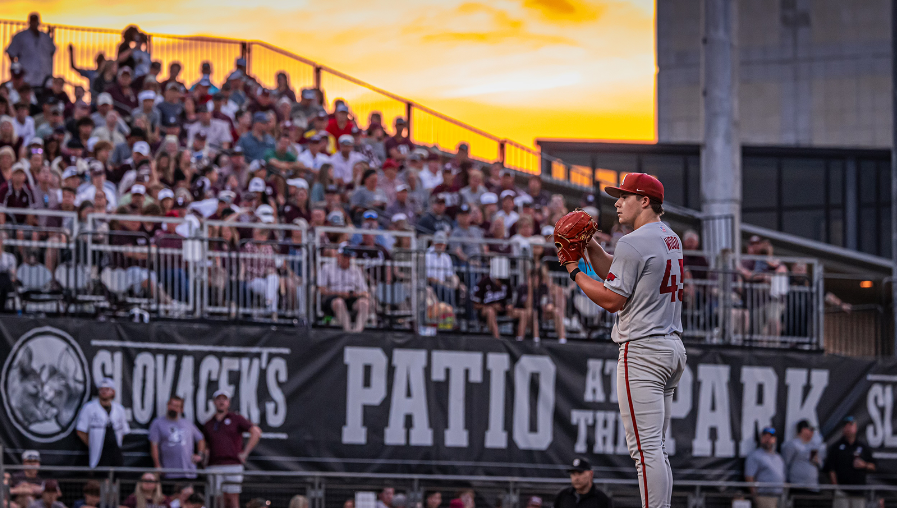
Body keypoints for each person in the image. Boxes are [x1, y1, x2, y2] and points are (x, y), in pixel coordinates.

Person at [561, 173, 686, 508]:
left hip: (643, 350)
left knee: (644, 451)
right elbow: (620, 272)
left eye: (625, 196)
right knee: (656, 448)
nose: (617, 202)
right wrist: (591, 245)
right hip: (671, 348)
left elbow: (612, 299)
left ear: (644, 201)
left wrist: (575, 270)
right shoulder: (670, 237)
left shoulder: (635, 241)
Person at [203, 390, 262, 508]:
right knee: (217, 500)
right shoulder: (208, 423)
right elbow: (205, 445)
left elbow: (256, 432)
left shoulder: (236, 418)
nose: (221, 402)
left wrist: (245, 453)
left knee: (232, 498)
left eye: (224, 399)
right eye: (218, 399)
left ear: (228, 403)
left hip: (232, 464)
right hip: (214, 465)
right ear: (214, 402)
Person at [75, 378, 130, 468]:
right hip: (99, 452)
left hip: (115, 450)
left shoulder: (119, 409)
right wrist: (93, 443)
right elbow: (81, 431)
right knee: (99, 474)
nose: (104, 392)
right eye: (101, 389)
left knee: (118, 473)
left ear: (113, 392)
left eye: (107, 389)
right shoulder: (89, 408)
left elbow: (124, 431)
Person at [823, 416, 876, 508]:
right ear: (843, 428)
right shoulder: (836, 447)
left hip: (858, 492)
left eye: (851, 425)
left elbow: (874, 466)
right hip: (842, 492)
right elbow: (830, 469)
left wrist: (864, 465)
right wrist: (836, 488)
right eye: (846, 425)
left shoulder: (863, 447)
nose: (848, 428)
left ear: (856, 427)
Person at [317, 243, 371, 332]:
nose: (347, 259)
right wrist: (340, 294)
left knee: (364, 303)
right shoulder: (327, 268)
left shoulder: (356, 270)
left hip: (351, 297)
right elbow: (321, 289)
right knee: (339, 302)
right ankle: (348, 331)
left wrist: (355, 294)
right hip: (332, 298)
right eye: (345, 256)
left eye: (349, 257)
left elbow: (365, 291)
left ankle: (357, 331)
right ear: (338, 256)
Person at [149, 396, 207, 478]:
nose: (173, 408)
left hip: (188, 471)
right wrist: (157, 465)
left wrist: (200, 455)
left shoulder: (188, 424)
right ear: (167, 405)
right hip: (169, 472)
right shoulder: (158, 423)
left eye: (176, 406)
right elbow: (154, 445)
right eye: (171, 405)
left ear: (181, 409)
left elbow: (200, 439)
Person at [6, 13, 56, 89]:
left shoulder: (45, 37)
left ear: (39, 23)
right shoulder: (21, 36)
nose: (34, 24)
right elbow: (11, 53)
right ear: (29, 22)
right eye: (32, 21)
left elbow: (52, 51)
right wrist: (17, 67)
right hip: (27, 76)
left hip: (44, 76)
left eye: (35, 21)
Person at [781, 420, 823, 504]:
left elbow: (821, 465)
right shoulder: (792, 444)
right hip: (798, 487)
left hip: (813, 487)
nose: (812, 433)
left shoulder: (813, 446)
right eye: (810, 430)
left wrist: (818, 461)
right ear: (803, 429)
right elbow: (785, 464)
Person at [744, 427, 785, 508]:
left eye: (770, 437)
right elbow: (749, 477)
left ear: (775, 439)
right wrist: (755, 496)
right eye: (765, 437)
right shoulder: (755, 455)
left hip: (780, 497)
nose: (768, 440)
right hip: (765, 497)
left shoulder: (778, 457)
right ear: (761, 439)